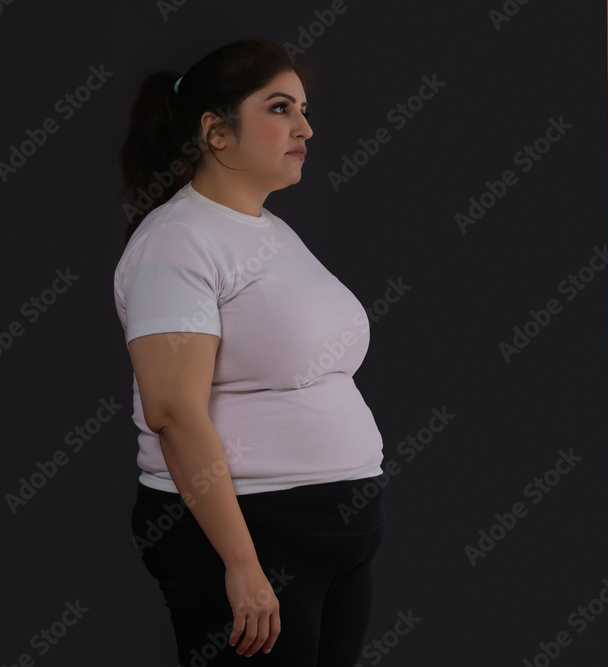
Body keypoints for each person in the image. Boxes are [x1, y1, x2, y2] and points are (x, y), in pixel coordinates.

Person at [112, 38, 387, 666]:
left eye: (304, 109)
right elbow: (174, 412)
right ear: (215, 130)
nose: (306, 128)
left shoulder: (271, 232)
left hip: (336, 531)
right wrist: (241, 564)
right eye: (280, 108)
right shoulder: (176, 242)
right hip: (251, 536)